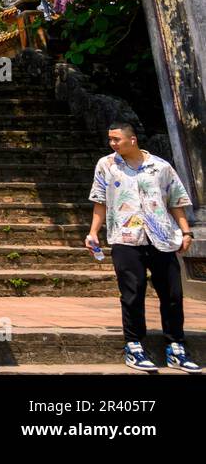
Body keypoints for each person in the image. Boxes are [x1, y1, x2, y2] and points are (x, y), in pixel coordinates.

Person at [87, 122, 199, 373]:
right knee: (132, 293)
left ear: (133, 139)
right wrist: (93, 232)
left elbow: (175, 201)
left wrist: (186, 231)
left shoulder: (160, 167)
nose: (112, 144)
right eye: (111, 140)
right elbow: (100, 201)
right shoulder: (106, 165)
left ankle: (176, 347)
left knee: (172, 294)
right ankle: (134, 345)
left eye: (117, 139)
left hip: (162, 237)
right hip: (125, 237)